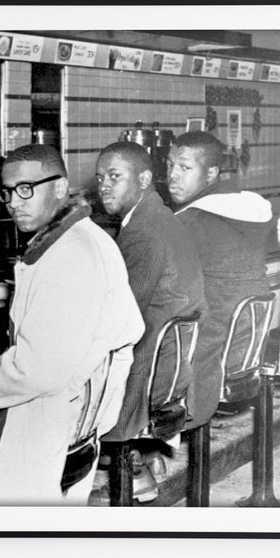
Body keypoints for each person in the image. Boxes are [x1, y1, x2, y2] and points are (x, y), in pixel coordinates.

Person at [0, 143, 144, 505]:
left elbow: (37, 370)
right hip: (76, 417)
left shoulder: (69, 254)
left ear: (58, 187)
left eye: (26, 189)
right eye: (6, 192)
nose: (14, 202)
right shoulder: (82, 238)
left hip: (46, 421)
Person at [91, 142, 206, 503]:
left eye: (115, 176)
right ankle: (142, 460)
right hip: (169, 361)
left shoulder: (142, 230)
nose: (104, 186)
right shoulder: (157, 216)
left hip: (148, 371)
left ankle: (128, 472)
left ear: (142, 179)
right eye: (100, 178)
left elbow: (122, 315)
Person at [166, 131, 274, 431]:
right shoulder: (244, 211)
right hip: (245, 347)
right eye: (170, 164)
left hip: (209, 355)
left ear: (211, 173)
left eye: (185, 168)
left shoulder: (191, 222)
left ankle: (140, 450)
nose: (173, 175)